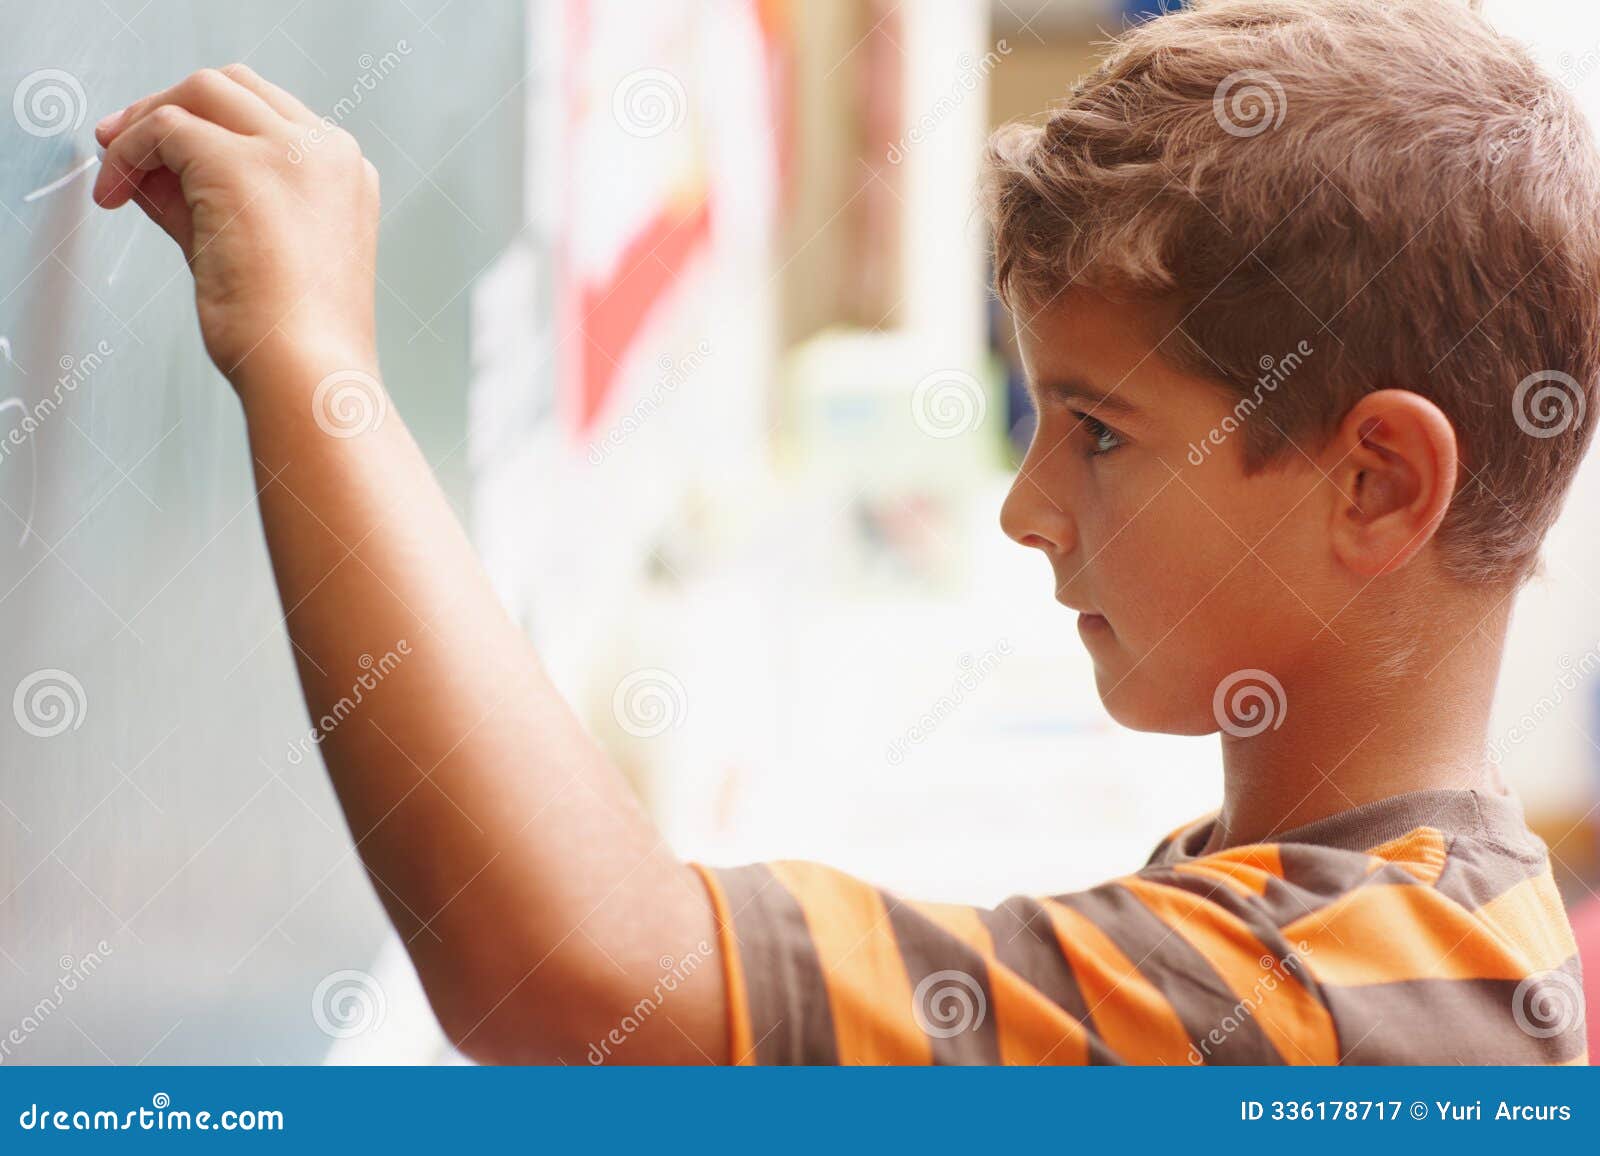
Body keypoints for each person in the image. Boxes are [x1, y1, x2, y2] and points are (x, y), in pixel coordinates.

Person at [92, 0, 1593, 1063]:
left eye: (1100, 432)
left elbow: (571, 981)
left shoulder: (1341, 1003)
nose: (1026, 509)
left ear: (1379, 483)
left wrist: (310, 360)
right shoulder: (1378, 911)